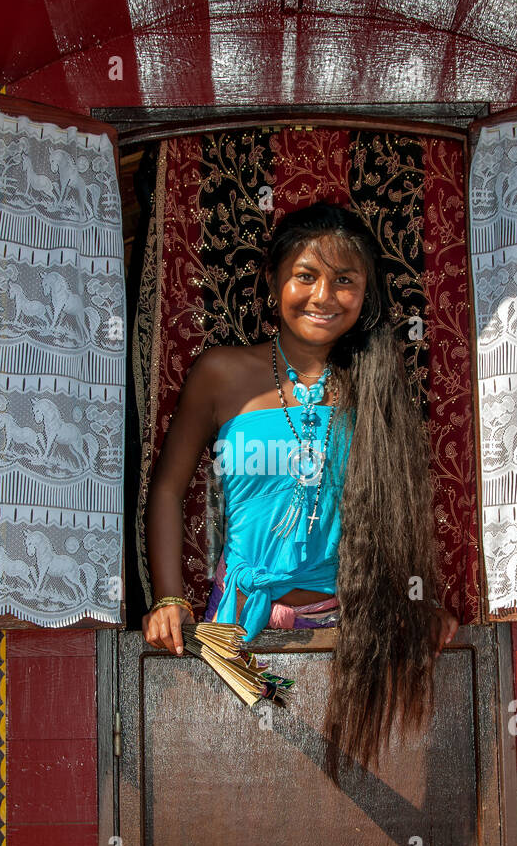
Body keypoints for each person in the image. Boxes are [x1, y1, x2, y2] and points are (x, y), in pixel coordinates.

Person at [142, 203, 458, 778]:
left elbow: (398, 510)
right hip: (236, 630)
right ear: (272, 280)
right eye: (306, 275)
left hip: (351, 634)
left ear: (366, 294)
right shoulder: (221, 374)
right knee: (234, 790)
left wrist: (417, 607)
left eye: (345, 281)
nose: (324, 296)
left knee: (345, 796)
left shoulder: (376, 384)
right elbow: (167, 489)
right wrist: (168, 598)